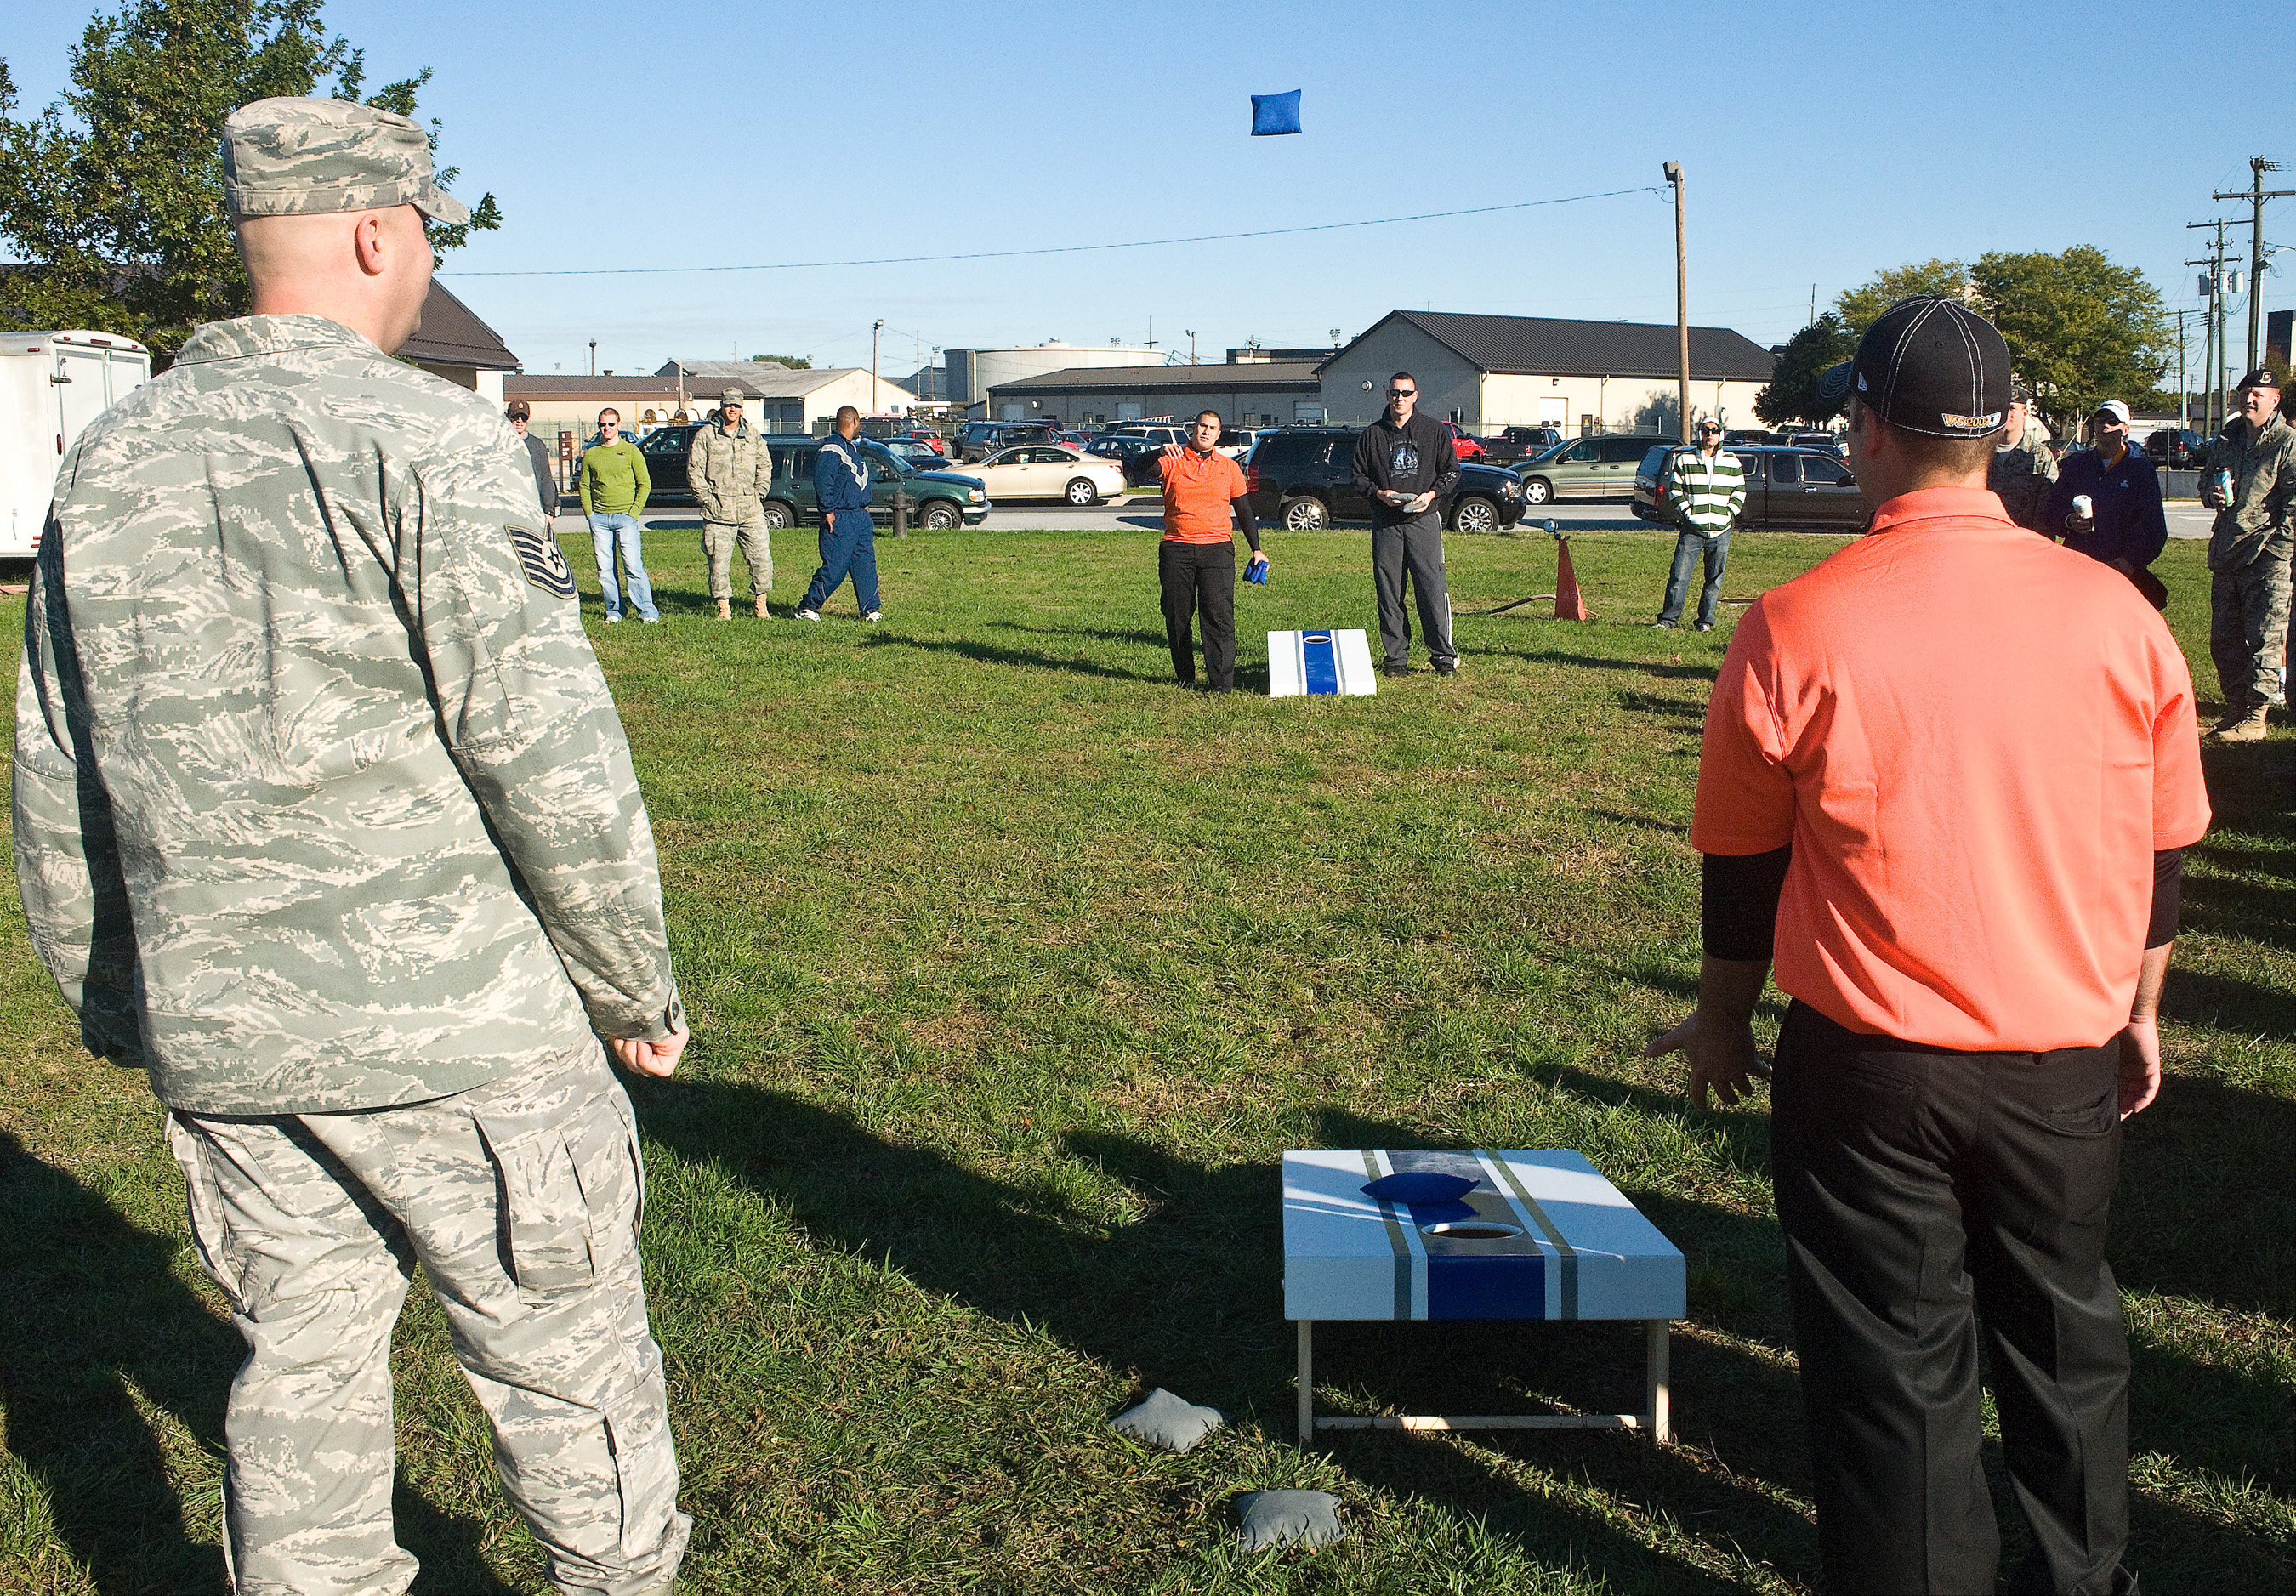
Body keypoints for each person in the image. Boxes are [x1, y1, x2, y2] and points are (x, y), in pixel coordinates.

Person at [12, 97, 693, 1596]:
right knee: (567, 1366)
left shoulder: (110, 455)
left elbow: (58, 764)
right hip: (459, 1028)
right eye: (429, 235)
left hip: (228, 1035)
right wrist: (631, 984)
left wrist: (116, 998)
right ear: (381, 233)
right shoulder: (429, 437)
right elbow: (544, 746)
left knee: (298, 1370)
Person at [1646, 296, 2208, 1596]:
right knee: (2066, 1351)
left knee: (1896, 1379)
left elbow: (1743, 866)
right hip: (2062, 1063)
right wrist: (2141, 1010)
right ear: (2002, 433)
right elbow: (2163, 852)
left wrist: (1723, 1020)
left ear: (1865, 431)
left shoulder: (1795, 623)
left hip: (1870, 1073)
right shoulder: (2119, 616)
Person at [2201, 368, 2296, 741]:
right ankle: (2235, 710)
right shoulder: (2227, 439)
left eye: (2257, 394)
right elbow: (2205, 481)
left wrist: (2279, 549)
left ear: (2275, 400)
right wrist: (2212, 493)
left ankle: (2256, 717)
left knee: (2264, 638)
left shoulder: (2287, 442)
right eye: (2244, 394)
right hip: (2228, 552)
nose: (2249, 400)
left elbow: (2293, 504)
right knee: (2224, 641)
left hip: (2267, 555)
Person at [1350, 372, 1460, 677]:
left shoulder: (1433, 431)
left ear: (1416, 396)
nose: (1400, 398)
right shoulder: (1372, 435)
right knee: (1389, 592)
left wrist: (1431, 495)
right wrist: (1379, 494)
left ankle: (1443, 656)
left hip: (1423, 521)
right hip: (1387, 523)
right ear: (1387, 394)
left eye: (1406, 393)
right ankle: (1396, 657)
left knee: (1431, 588)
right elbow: (1357, 477)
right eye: (1395, 393)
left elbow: (1451, 471)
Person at [1155, 408, 1268, 692]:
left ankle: (1221, 683)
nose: (1206, 431)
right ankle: (1185, 677)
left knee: (1218, 616)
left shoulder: (1229, 468)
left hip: (1217, 550)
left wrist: (1256, 549)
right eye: (1202, 426)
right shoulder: (1173, 459)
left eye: (1212, 428)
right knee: (1177, 615)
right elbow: (1140, 466)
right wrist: (1159, 450)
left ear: (1218, 435)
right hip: (1177, 548)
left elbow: (1244, 510)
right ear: (1194, 429)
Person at [2044, 400, 2168, 605]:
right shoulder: (2077, 465)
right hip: (2079, 567)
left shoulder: (2140, 470)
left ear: (2125, 429)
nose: (2105, 425)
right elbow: (2052, 510)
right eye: (2100, 420)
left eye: (2113, 421)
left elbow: (2153, 529)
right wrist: (2069, 520)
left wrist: (2128, 563)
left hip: (2121, 571)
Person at [689, 387, 775, 620]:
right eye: (728, 405)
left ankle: (761, 604)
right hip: (718, 512)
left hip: (750, 510)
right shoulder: (706, 435)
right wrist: (706, 499)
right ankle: (723, 607)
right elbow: (695, 470)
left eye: (736, 405)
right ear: (722, 406)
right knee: (718, 564)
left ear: (742, 407)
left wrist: (759, 492)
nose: (732, 409)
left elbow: (764, 465)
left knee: (762, 560)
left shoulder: (753, 435)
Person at [1652, 418, 1744, 632]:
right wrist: (1689, 513)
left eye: (1714, 430)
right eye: (1705, 430)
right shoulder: (1686, 460)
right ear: (1700, 433)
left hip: (1721, 531)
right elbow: (1675, 490)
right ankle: (1668, 619)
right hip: (1692, 530)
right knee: (1679, 576)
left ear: (1721, 434)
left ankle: (1705, 621)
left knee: (1714, 579)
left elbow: (1739, 492)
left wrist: (1728, 514)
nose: (1709, 434)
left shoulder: (1732, 461)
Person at [796, 406, 881, 622]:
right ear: (854, 422)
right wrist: (828, 510)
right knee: (835, 567)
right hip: (841, 517)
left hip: (860, 517)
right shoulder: (832, 448)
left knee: (865, 565)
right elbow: (823, 480)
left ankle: (870, 609)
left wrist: (864, 505)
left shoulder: (851, 449)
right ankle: (808, 606)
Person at [578, 407, 658, 623]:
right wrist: (590, 514)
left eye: (611, 424)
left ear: (619, 425)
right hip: (600, 519)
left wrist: (633, 513)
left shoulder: (631, 451)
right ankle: (614, 611)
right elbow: (584, 485)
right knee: (605, 570)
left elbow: (645, 484)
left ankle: (647, 612)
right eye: (603, 425)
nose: (607, 428)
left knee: (633, 567)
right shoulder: (592, 454)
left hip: (625, 518)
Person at [1987, 383, 2058, 533]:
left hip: (2023, 539)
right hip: (1987, 536)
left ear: (2025, 413)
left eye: (2011, 408)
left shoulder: (2039, 456)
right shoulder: (1983, 453)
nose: (2006, 413)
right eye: (2002, 408)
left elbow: (2047, 511)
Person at [507, 399, 558, 521]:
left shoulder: (537, 445)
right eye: (515, 417)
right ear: (508, 418)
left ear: (528, 419)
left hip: (533, 508)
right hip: (509, 508)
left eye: (523, 418)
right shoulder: (501, 443)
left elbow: (545, 478)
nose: (519, 421)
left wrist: (548, 510)